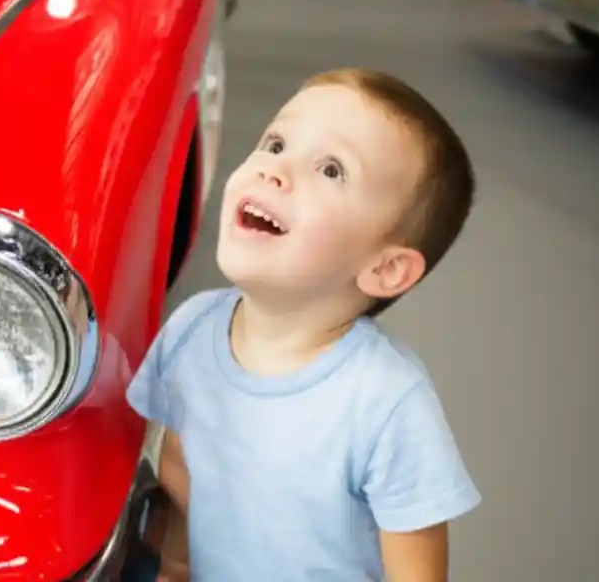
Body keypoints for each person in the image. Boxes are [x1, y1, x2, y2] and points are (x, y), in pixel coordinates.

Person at [124, 68, 481, 581]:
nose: (275, 170)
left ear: (385, 268)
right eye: (275, 143)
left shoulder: (386, 403)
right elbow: (180, 473)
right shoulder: (191, 331)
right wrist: (176, 568)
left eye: (331, 170)